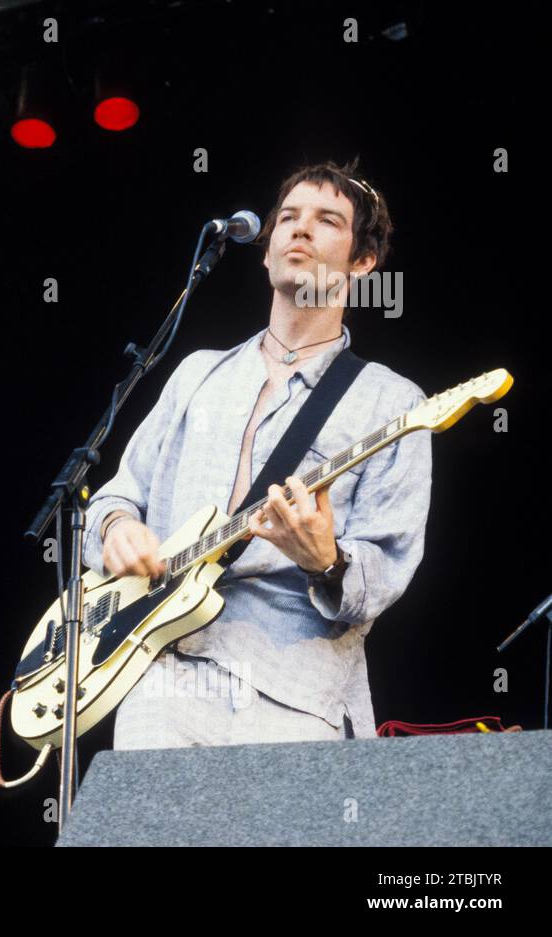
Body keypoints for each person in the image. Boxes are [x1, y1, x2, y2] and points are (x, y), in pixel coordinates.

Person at [84, 159, 431, 750]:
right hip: (163, 679)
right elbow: (118, 494)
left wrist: (327, 561)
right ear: (266, 252)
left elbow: (389, 565)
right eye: (289, 218)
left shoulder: (394, 404)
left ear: (363, 263)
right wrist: (116, 528)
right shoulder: (197, 373)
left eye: (326, 221)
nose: (299, 230)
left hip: (292, 694)